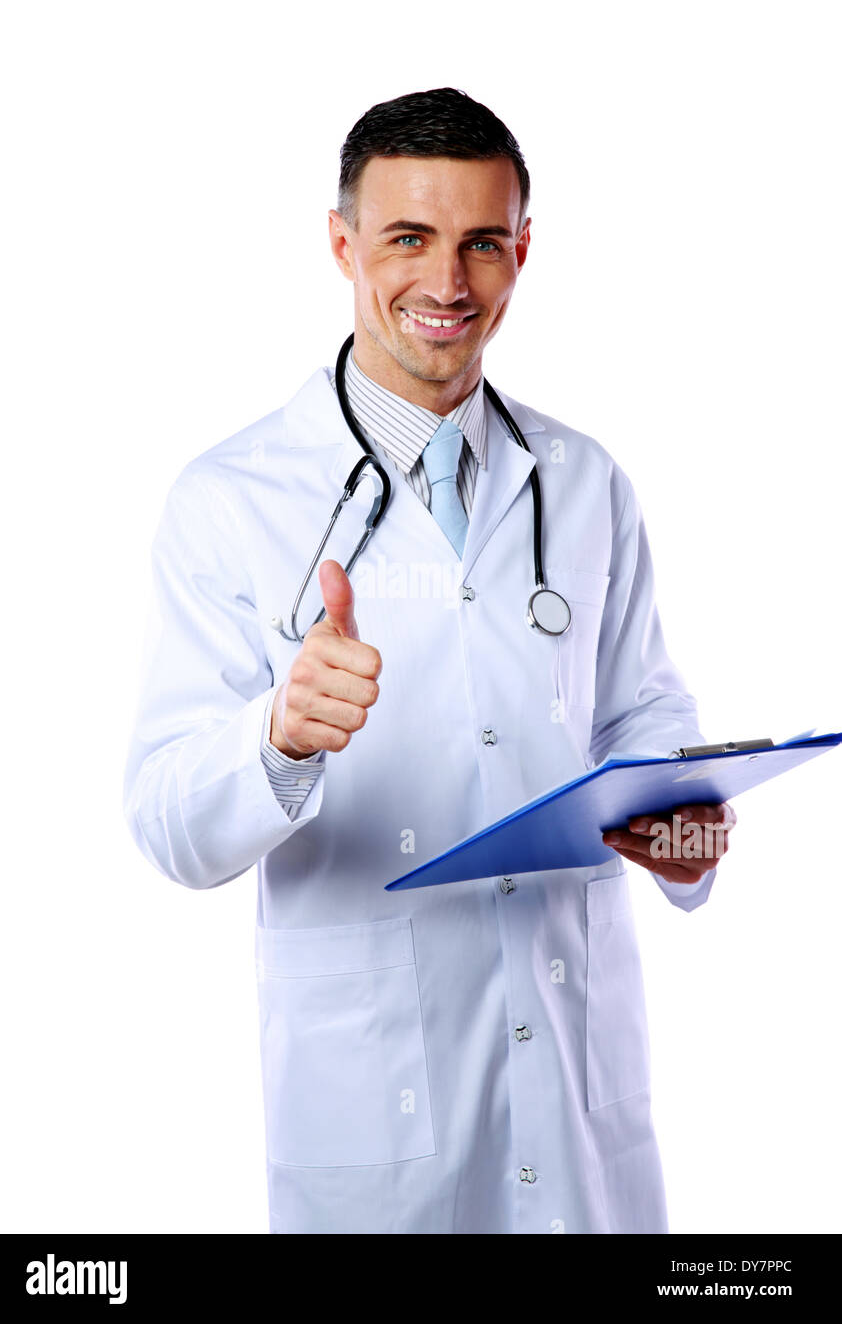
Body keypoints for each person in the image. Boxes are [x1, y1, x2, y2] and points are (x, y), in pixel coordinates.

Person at [123, 87, 735, 1234]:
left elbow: (644, 712)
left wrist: (682, 816)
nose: (447, 285)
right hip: (374, 1121)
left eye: (481, 244)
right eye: (407, 238)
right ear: (341, 243)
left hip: (575, 1092)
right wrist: (278, 734)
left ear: (523, 251)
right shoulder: (229, 501)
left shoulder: (583, 479)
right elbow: (164, 817)